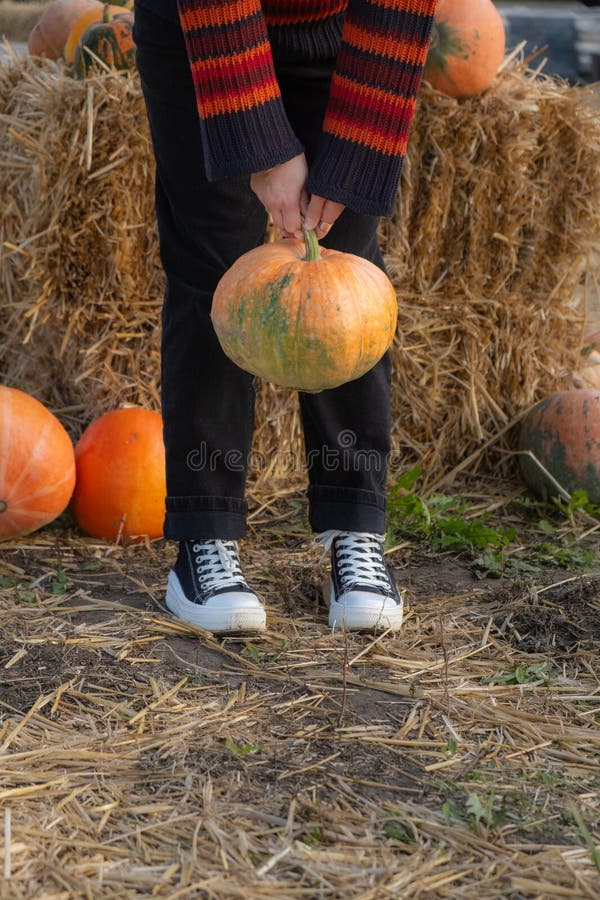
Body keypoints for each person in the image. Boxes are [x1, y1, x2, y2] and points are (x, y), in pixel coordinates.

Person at [133, 0, 438, 635]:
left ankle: (354, 522)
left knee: (345, 276)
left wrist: (355, 152)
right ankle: (204, 535)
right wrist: (262, 147)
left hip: (346, 30)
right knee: (216, 275)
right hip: (203, 27)